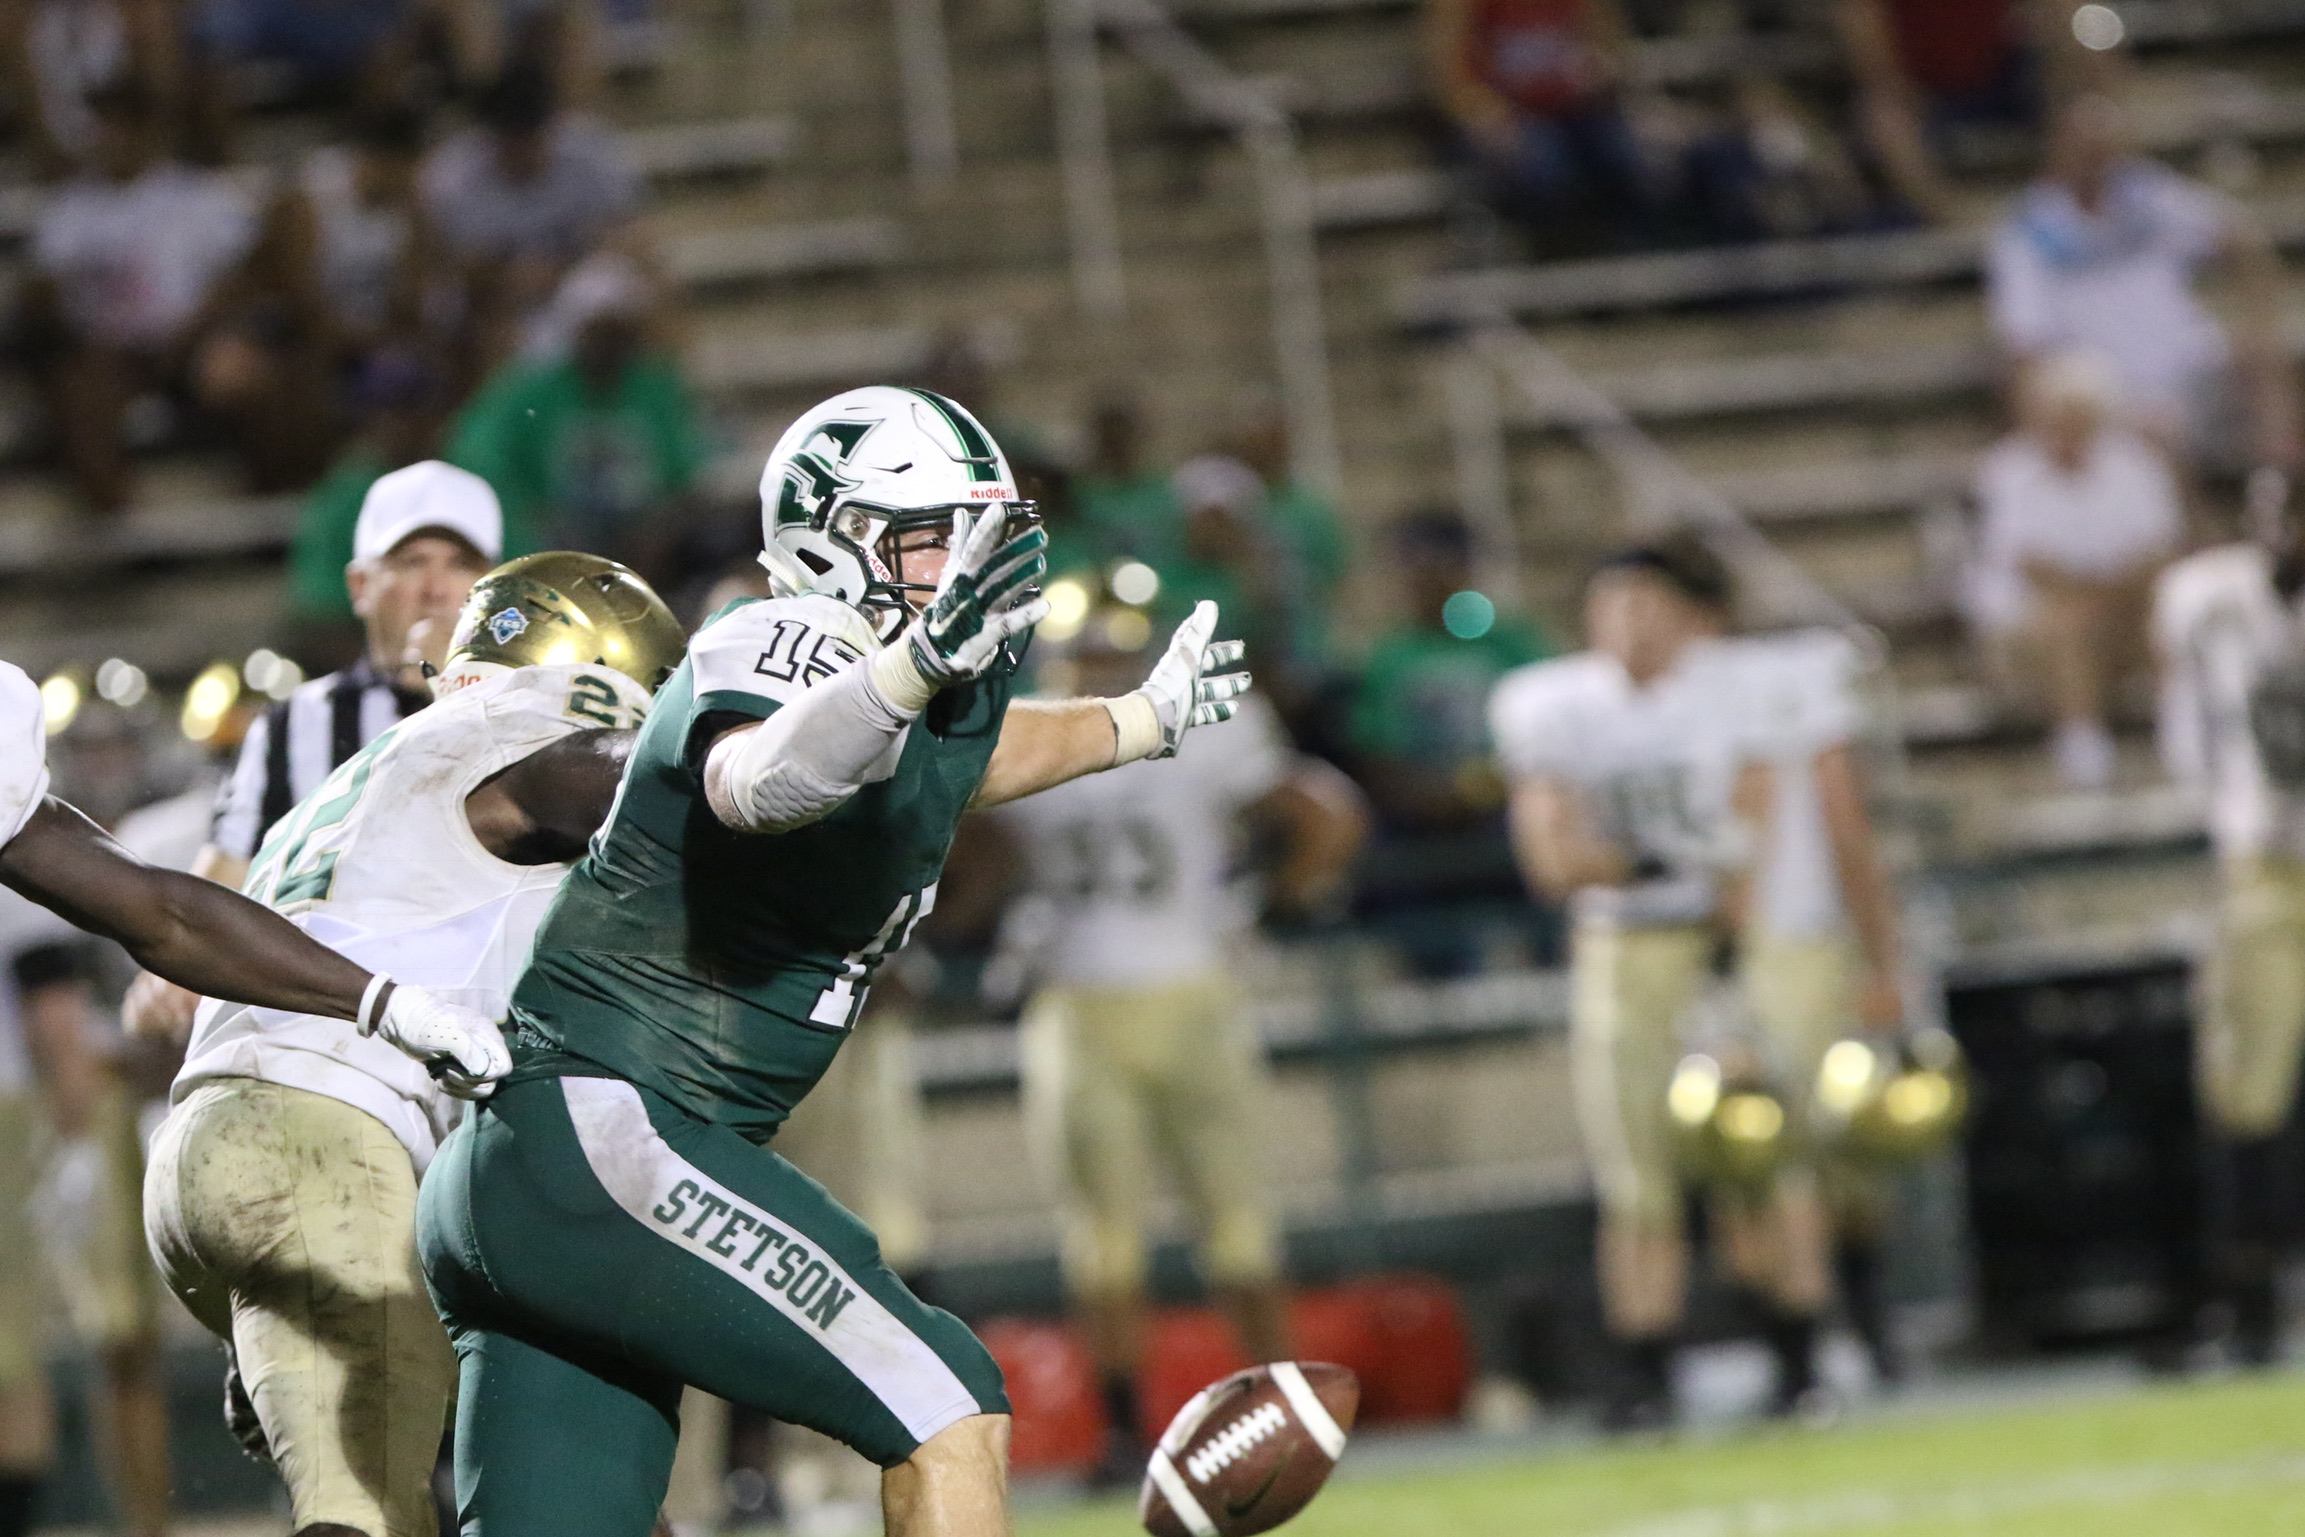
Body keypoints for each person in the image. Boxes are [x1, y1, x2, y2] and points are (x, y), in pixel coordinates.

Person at [413, 385, 1249, 1537]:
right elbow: (762, 781)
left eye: (972, 535)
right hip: (608, 1130)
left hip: (531, 1173)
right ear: (828, 539)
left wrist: (1135, 722)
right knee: (946, 1401)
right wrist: (910, 666)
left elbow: (954, 759)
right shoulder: (779, 636)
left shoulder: (908, 691)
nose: (957, 567)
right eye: (923, 537)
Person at [144, 552, 684, 1537]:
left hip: (212, 1159)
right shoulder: (534, 731)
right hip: (328, 1144)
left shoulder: (372, 772)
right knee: (377, 1519)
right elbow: (669, 787)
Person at [990, 596, 1364, 1484]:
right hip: (1097, 1000)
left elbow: (1321, 814)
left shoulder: (1028, 729)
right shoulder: (1095, 726)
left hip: (1161, 996)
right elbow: (1330, 812)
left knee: (1228, 1224)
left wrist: (1264, 904)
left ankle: (1262, 1416)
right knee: (1114, 1237)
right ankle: (1140, 1428)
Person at [1490, 537, 1815, 1427]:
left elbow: (1750, 837)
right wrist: (1648, 860)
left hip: (1717, 944)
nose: (1631, 622)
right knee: (1635, 1173)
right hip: (1621, 952)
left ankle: (1796, 1351)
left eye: (1648, 603)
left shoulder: (1730, 692)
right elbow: (1551, 858)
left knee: (1755, 1155)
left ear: (1682, 615)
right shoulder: (1555, 706)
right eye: (1615, 603)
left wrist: (1713, 908)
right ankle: (1643, 1368)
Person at [123, 460, 499, 1040]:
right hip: (335, 1021)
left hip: (490, 1011)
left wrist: (461, 689)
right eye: (410, 563)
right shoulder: (296, 722)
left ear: (493, 587)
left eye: (461, 565)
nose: (436, 589)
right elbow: (225, 878)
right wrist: (167, 974)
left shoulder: (523, 708)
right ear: (360, 587)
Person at [1727, 626, 1910, 1384]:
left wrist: (1876, 954)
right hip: (1725, 949)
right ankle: (1812, 1342)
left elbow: (1844, 826)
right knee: (1765, 1157)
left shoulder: (1773, 690)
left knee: (1808, 1152)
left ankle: (1826, 1338)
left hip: (1789, 942)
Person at [2152, 477, 2305, 1365]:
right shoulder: (2209, 598)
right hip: (2262, 860)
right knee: (2243, 1085)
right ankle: (2248, 1297)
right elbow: (2189, 718)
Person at [1988, 93, 2300, 477]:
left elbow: (2241, 238)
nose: (2096, 160)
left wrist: (2258, 323)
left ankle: (2282, 486)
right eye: (2085, 150)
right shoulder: (2030, 233)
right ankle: (2197, 530)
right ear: (2058, 149)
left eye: (2104, 150)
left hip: (2193, 365)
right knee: (2152, 434)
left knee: (2261, 359)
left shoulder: (2148, 194)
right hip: (2113, 393)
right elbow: (2023, 345)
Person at [25, 78, 259, 512]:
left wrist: (195, 329)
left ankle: (262, 498)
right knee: (79, 393)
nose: (112, 136)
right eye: (104, 124)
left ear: (148, 130)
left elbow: (239, 277)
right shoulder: (71, 207)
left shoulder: (195, 195)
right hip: (107, 354)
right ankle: (119, 520)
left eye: (122, 124)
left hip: (190, 342)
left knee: (243, 369)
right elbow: (46, 291)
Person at [1350, 510, 1553, 975]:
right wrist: (1437, 799)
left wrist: (1488, 789)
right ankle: (1436, 978)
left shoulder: (1515, 645)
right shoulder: (1389, 658)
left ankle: (1551, 965)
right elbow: (1376, 758)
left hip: (1505, 802)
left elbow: (1549, 748)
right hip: (1420, 812)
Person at [1969, 351, 2184, 787]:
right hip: (2028, 626)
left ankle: (2184, 736)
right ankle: (2082, 745)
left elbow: (2160, 551)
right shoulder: (2006, 471)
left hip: (2122, 610)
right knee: (2071, 622)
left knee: (2168, 615)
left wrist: (2109, 597)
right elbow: (2032, 568)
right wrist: (2099, 597)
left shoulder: (2135, 464)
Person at [450, 253, 704, 566]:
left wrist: (658, 528)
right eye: (599, 333)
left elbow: (686, 474)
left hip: (645, 544)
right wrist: (531, 514)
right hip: (553, 541)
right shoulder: (531, 390)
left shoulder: (654, 388)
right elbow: (476, 453)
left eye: (618, 333)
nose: (608, 346)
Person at [420, 61, 641, 366]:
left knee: (628, 289)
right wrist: (502, 282)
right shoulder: (452, 175)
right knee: (466, 313)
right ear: (490, 135)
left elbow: (630, 235)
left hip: (572, 282)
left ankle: (658, 403)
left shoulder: (588, 150)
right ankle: (513, 410)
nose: (525, 147)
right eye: (513, 137)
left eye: (533, 134)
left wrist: (563, 269)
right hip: (495, 298)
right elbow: (449, 264)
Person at [1423, 0, 1656, 252]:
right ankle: (1550, 250)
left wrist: (1600, 70)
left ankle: (1627, 246)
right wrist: (1483, 114)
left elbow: (1611, 50)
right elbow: (1447, 72)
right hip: (1511, 117)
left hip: (1579, 111)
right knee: (1544, 169)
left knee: (1629, 158)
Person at [1832, 0, 2089, 226]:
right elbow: (1867, 46)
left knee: (2076, 62)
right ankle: (1952, 216)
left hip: (2003, 75)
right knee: (1882, 114)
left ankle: (2066, 195)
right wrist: (1900, 89)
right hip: (1926, 94)